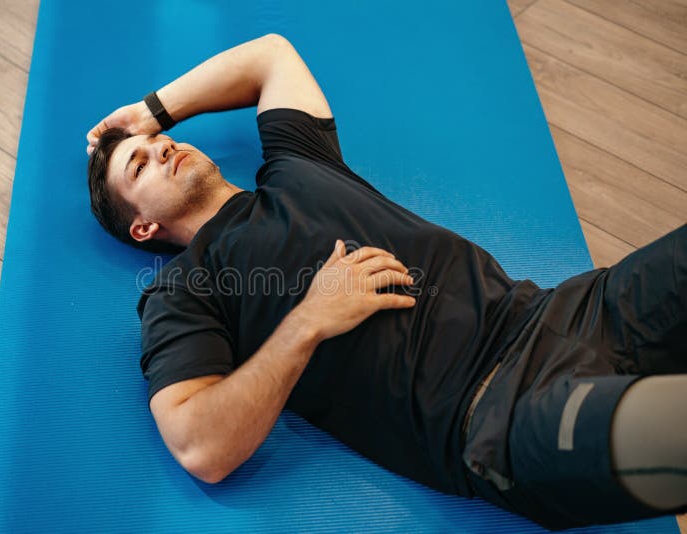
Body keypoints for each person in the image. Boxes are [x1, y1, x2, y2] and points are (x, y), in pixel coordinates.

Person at [85, 34, 687, 530]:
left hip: (567, 311)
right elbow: (200, 447)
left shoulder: (298, 164)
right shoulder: (183, 292)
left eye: (160, 143)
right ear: (143, 227)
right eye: (139, 164)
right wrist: (309, 320)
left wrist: (148, 112)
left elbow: (270, 56)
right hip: (497, 415)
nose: (162, 149)